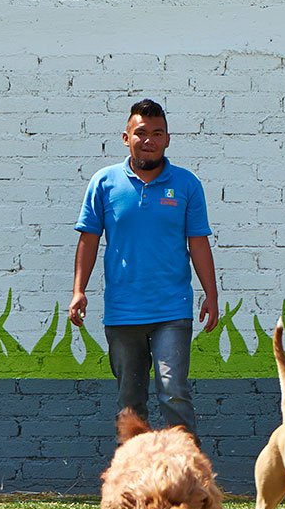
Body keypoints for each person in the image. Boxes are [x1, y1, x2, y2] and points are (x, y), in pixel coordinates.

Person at [69, 98, 219, 437]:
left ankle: (187, 481)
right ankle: (133, 481)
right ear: (126, 138)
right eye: (141, 133)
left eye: (157, 133)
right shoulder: (104, 183)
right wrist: (79, 290)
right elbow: (89, 239)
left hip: (172, 310)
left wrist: (211, 294)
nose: (148, 140)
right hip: (123, 312)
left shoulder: (186, 184)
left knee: (174, 392)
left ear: (167, 139)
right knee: (130, 403)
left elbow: (198, 242)